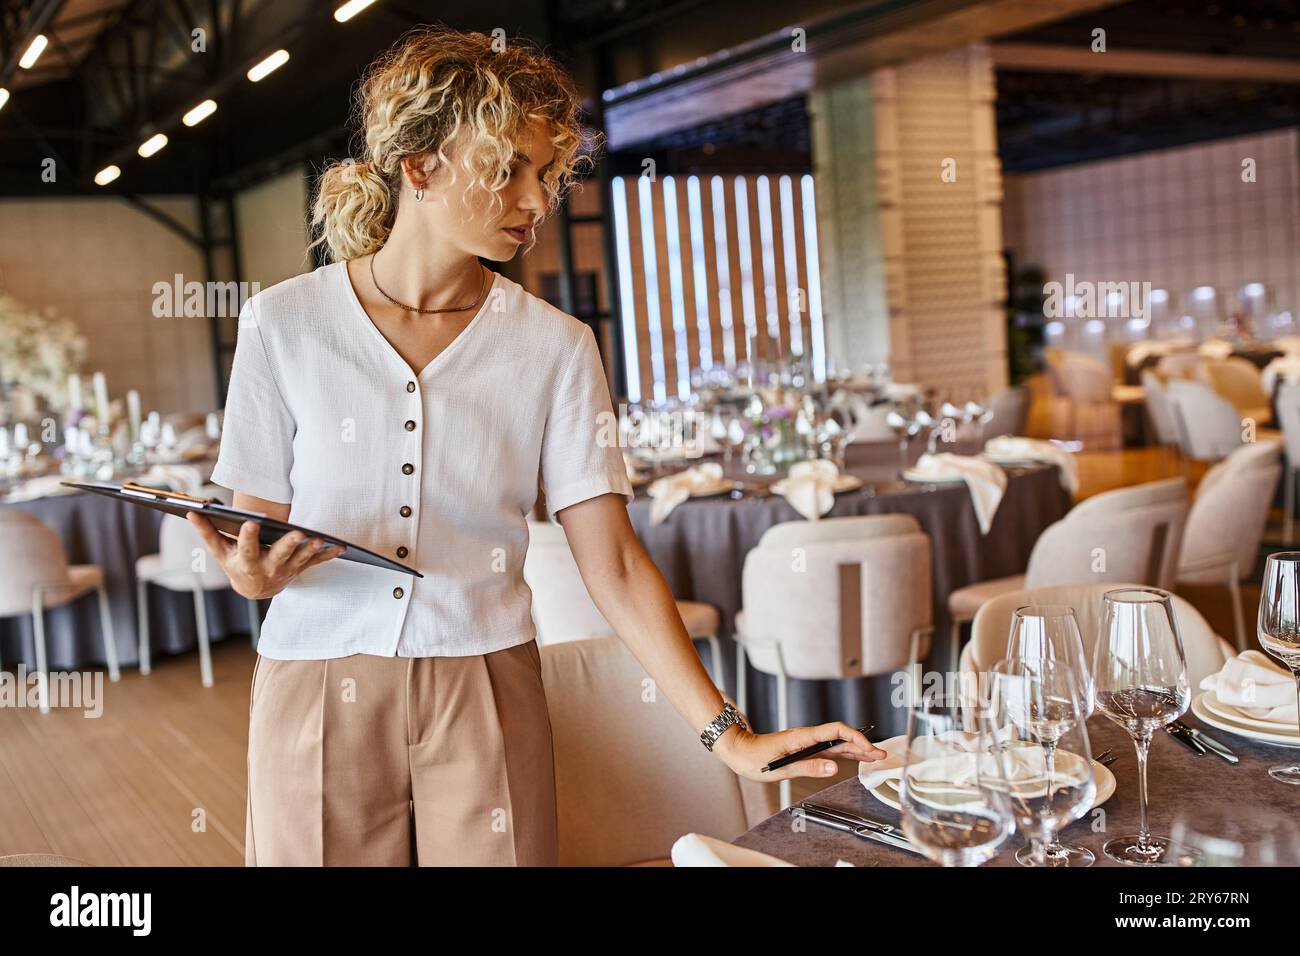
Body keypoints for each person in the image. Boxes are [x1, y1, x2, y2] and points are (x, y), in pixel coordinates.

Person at [189, 24, 884, 866]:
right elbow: (251, 523)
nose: (534, 201)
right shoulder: (285, 323)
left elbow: (615, 564)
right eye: (508, 168)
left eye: (546, 173)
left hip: (487, 680)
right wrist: (246, 568)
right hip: (316, 677)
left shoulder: (554, 346)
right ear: (420, 166)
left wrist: (729, 738)